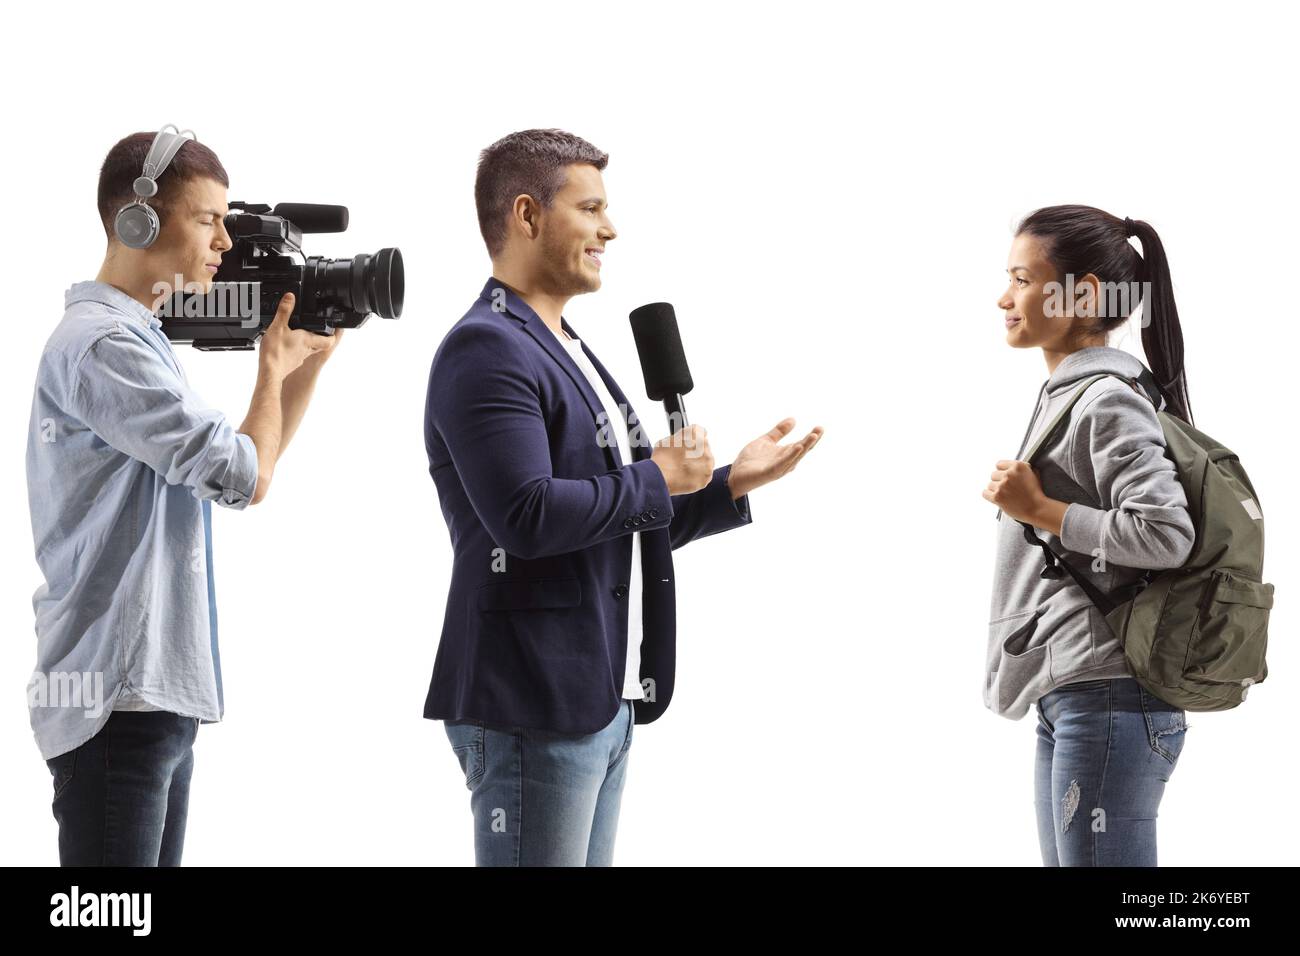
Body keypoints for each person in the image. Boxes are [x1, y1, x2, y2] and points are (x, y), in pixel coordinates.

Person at [424, 128, 823, 865]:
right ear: (528, 215)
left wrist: (731, 481)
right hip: (530, 699)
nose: (612, 228)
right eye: (592, 207)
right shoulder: (485, 348)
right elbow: (528, 518)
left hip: (597, 697)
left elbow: (619, 520)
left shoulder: (567, 346)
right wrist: (656, 477)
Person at [25, 126, 341, 866]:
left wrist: (305, 363)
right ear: (136, 221)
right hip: (114, 696)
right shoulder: (105, 346)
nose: (225, 242)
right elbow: (239, 474)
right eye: (207, 220)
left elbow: (250, 471)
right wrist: (270, 368)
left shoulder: (137, 339)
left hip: (147, 694)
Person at [983, 204, 1196, 866]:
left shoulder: (1106, 399)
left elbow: (1165, 534)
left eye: (1022, 279)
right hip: (1078, 692)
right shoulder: (1071, 395)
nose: (1003, 298)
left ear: (1085, 296)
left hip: (1109, 695)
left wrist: (1039, 508)